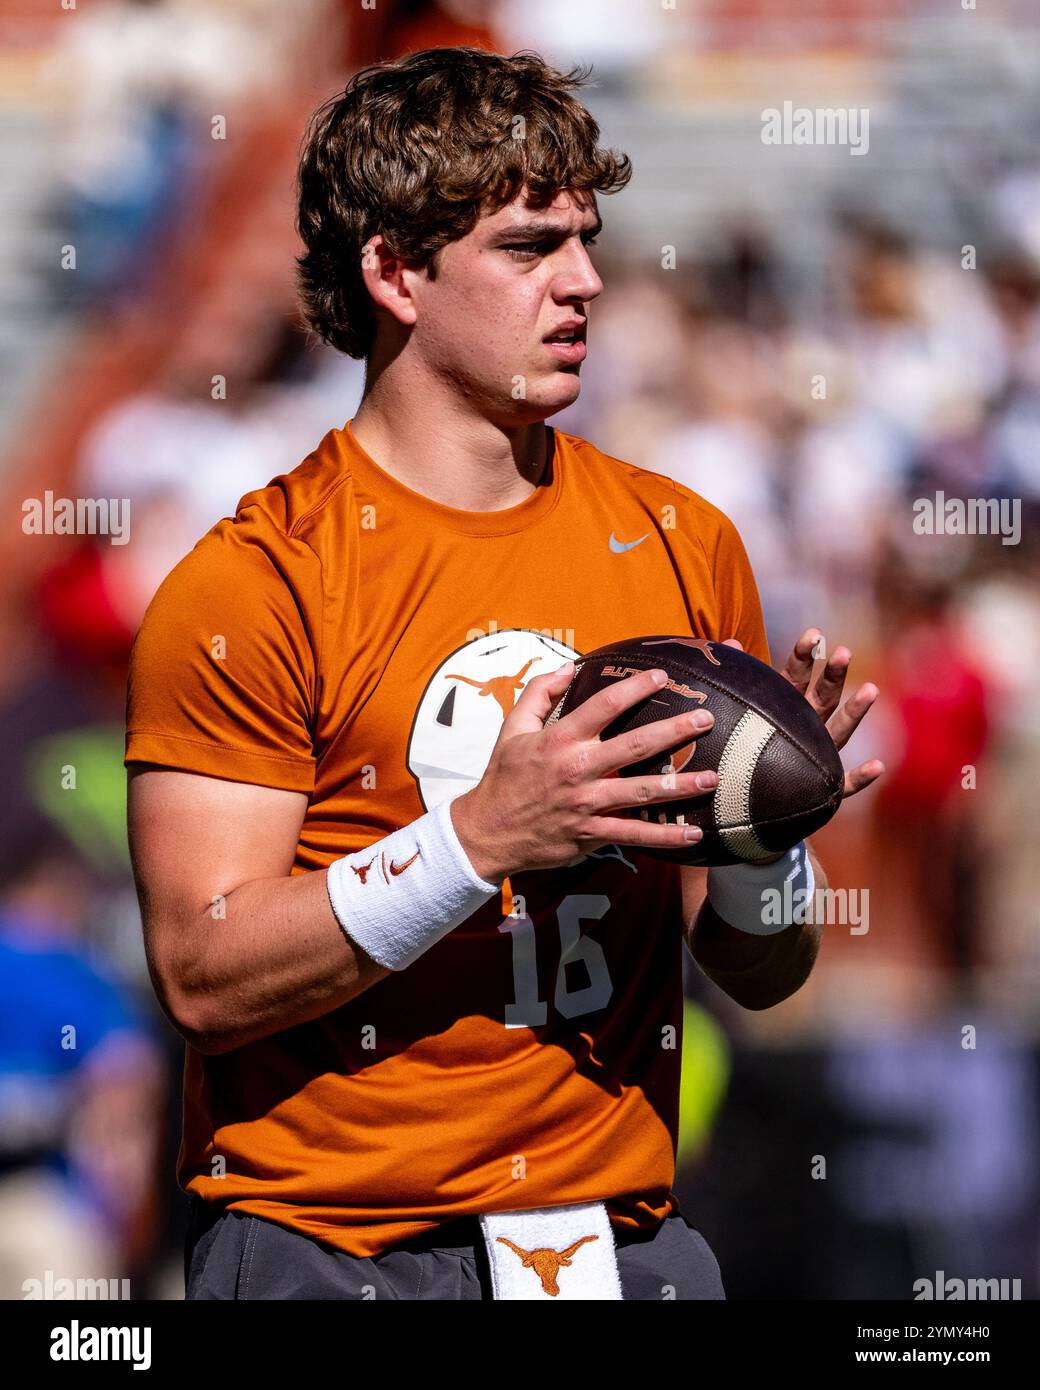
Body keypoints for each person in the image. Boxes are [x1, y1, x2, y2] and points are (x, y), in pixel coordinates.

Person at [125, 46, 883, 1301]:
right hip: (341, 1250)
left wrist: (765, 841)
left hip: (620, 1247)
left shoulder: (685, 544)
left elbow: (761, 974)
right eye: (528, 248)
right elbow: (202, 972)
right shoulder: (254, 580)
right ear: (393, 273)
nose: (584, 281)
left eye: (585, 239)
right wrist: (477, 837)